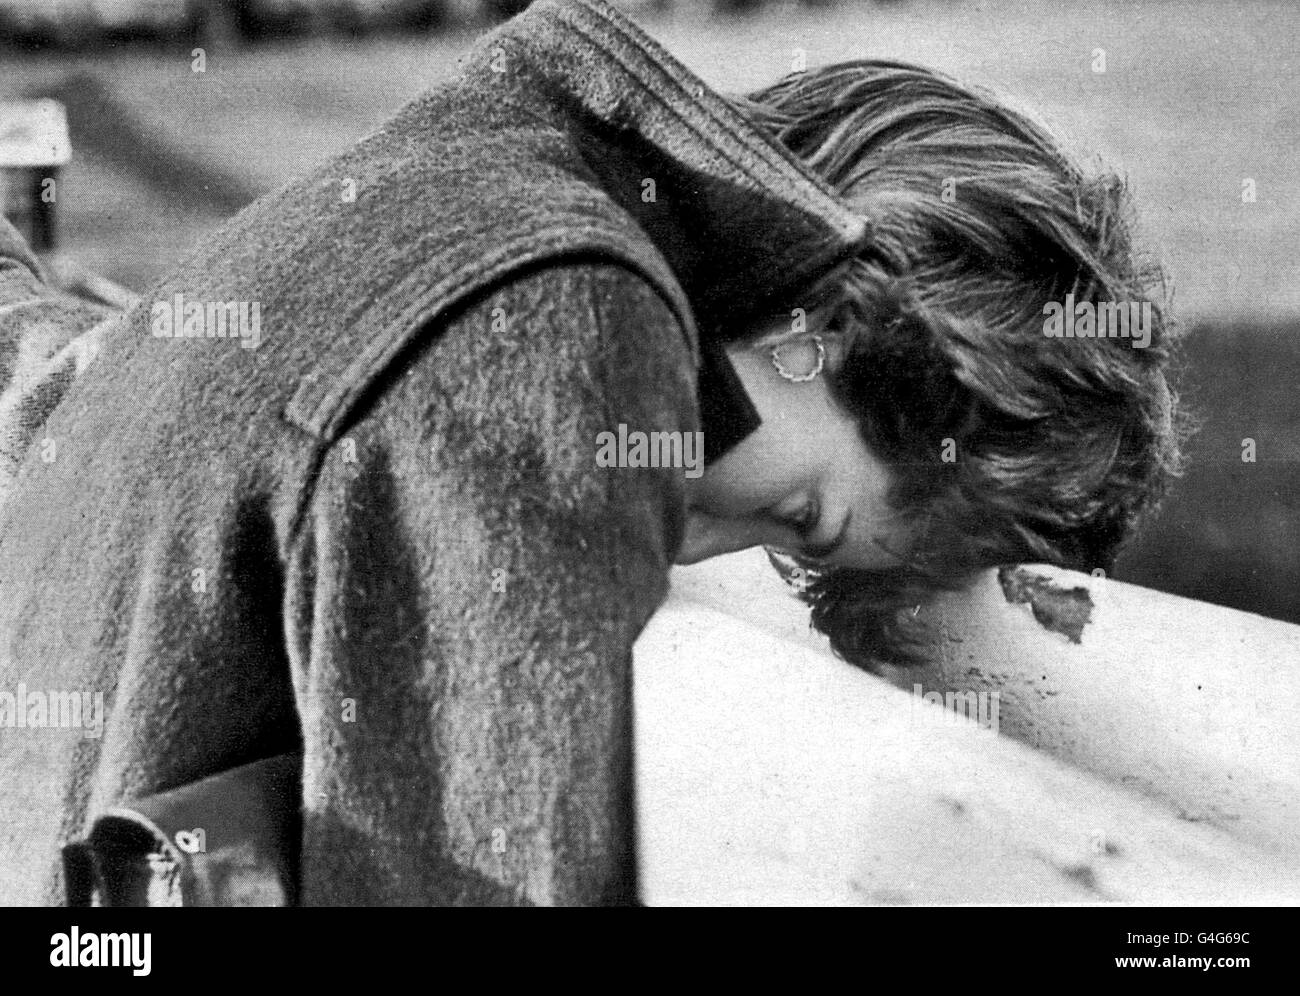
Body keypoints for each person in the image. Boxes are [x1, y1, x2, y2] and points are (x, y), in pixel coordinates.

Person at [0, 0, 1181, 905]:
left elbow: (56, 387)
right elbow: (477, 880)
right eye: (801, 515)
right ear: (819, 331)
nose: (710, 547)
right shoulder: (557, 320)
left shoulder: (473, 188)